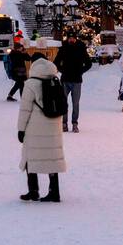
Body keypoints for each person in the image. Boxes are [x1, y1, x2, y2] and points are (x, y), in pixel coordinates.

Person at [16, 56, 65, 202]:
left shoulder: (30, 83)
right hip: (54, 125)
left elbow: (25, 109)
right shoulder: (55, 80)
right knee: (52, 157)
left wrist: (21, 129)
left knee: (31, 156)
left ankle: (33, 191)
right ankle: (54, 191)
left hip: (35, 127)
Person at [54, 31, 91, 133]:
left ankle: (75, 123)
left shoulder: (81, 48)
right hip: (65, 80)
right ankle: (64, 123)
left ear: (75, 38)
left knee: (75, 103)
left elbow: (88, 63)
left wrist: (81, 71)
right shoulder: (63, 48)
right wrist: (62, 70)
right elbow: (56, 62)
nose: (71, 40)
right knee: (63, 103)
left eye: (73, 38)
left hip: (76, 80)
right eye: (69, 38)